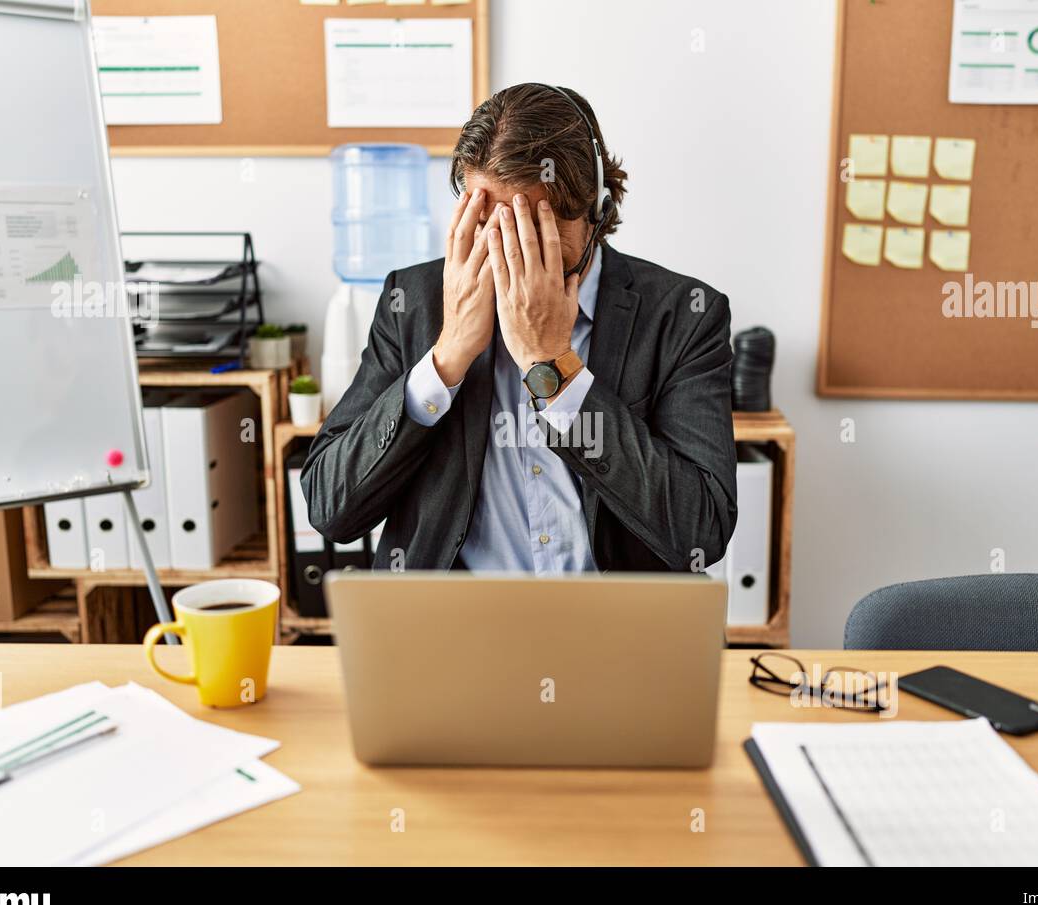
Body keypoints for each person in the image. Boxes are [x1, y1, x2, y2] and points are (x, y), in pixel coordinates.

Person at [301, 83, 736, 573]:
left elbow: (701, 530)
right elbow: (330, 508)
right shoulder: (412, 302)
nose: (508, 250)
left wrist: (554, 368)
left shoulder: (684, 316)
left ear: (597, 210)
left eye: (531, 228)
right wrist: (446, 357)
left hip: (610, 615)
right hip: (452, 616)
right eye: (489, 223)